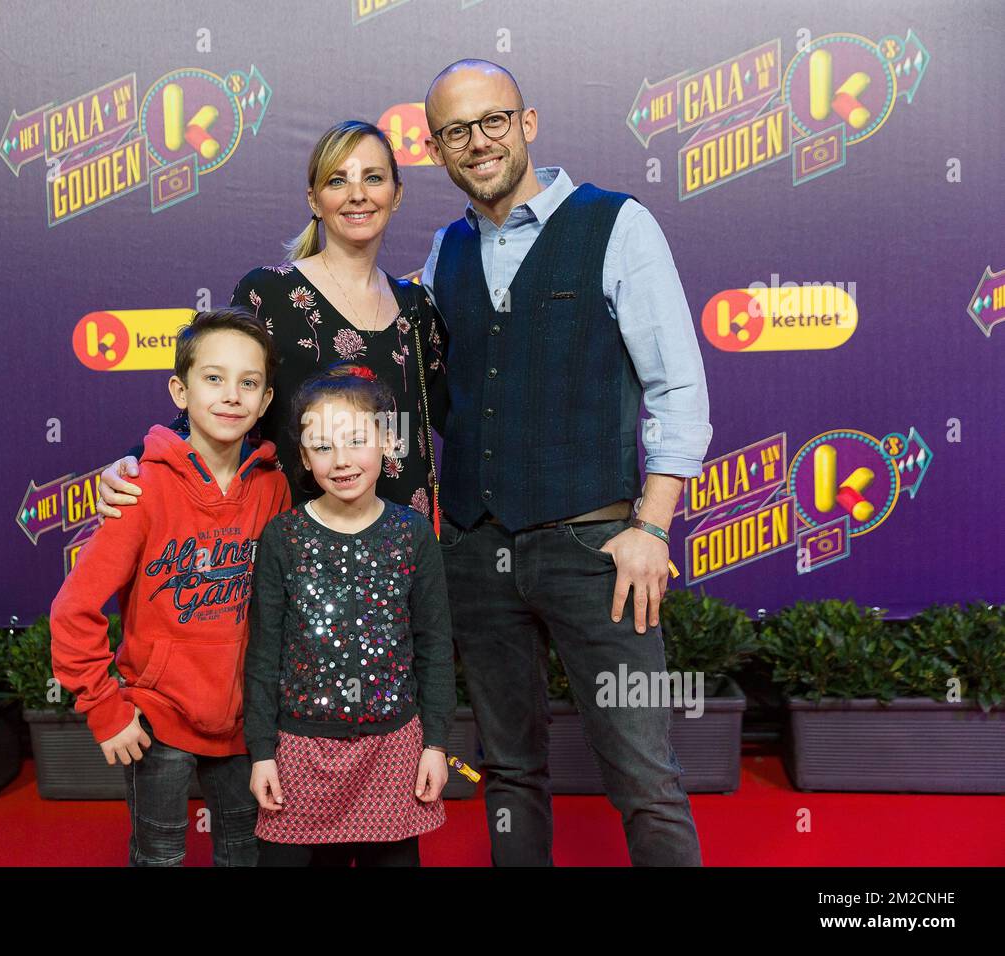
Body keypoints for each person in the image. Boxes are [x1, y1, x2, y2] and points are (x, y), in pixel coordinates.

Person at [420, 59, 713, 866]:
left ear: (528, 123)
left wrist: (651, 526)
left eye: (493, 121)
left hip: (598, 553)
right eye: (456, 131)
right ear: (435, 147)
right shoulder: (441, 252)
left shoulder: (617, 224)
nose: (478, 142)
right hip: (479, 554)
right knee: (509, 772)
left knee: (644, 775)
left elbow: (679, 385)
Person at [95, 120, 448, 531]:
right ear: (314, 200)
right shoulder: (271, 292)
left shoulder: (416, 305)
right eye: (338, 180)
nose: (358, 194)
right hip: (297, 547)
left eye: (373, 178)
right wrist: (140, 459)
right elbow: (218, 398)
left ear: (396, 193)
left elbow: (448, 419)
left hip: (405, 548)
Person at [49, 308, 290, 866]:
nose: (231, 395)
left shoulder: (274, 490)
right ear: (180, 391)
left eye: (248, 383)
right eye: (213, 378)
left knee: (246, 854)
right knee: (159, 856)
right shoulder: (143, 487)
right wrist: (105, 708)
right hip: (156, 719)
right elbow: (74, 609)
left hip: (246, 720)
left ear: (266, 400)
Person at [244, 364, 454, 866]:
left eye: (356, 440)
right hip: (299, 753)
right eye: (323, 447)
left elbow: (434, 645)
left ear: (386, 441)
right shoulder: (284, 538)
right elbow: (263, 653)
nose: (341, 461)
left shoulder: (413, 533)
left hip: (393, 751)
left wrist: (437, 744)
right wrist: (261, 753)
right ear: (303, 456)